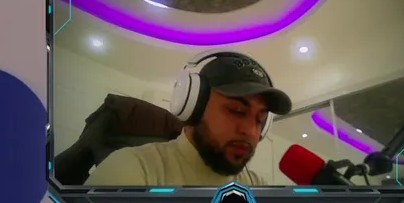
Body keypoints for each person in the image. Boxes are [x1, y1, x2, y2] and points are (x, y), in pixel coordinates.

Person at [86, 51, 292, 186]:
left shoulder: (257, 186)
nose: (251, 131)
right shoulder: (134, 170)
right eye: (236, 110)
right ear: (194, 105)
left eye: (260, 120)